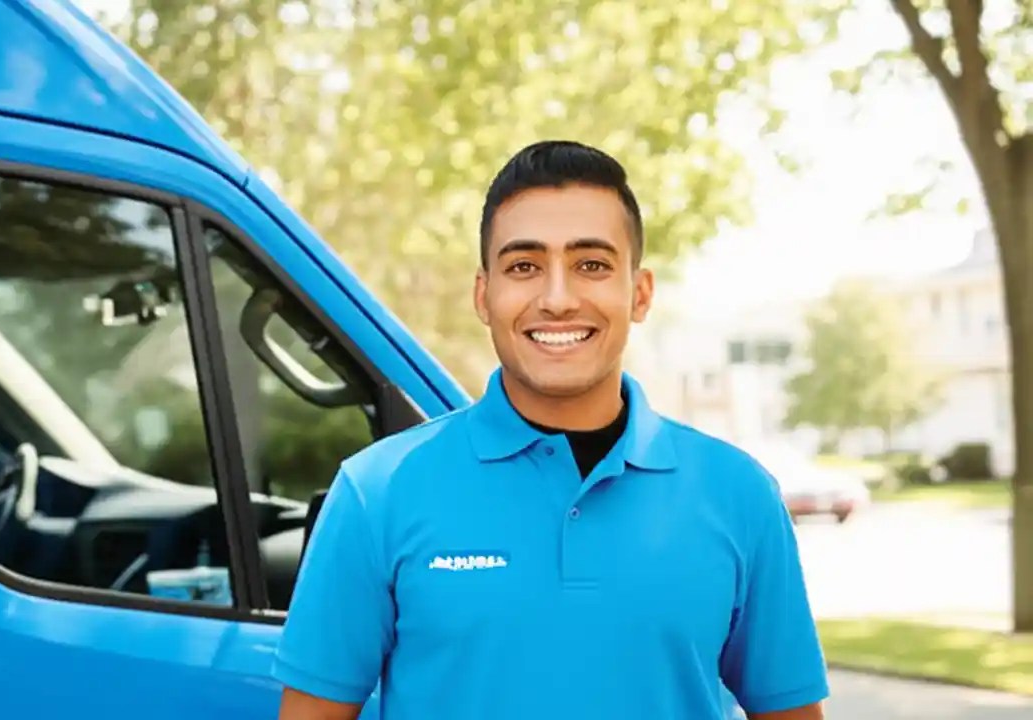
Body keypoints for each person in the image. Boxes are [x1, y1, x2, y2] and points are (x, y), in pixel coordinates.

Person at [272, 140, 829, 719]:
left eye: (591, 265)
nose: (558, 299)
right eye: (524, 267)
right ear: (484, 295)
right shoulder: (376, 492)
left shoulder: (739, 495)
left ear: (639, 294)